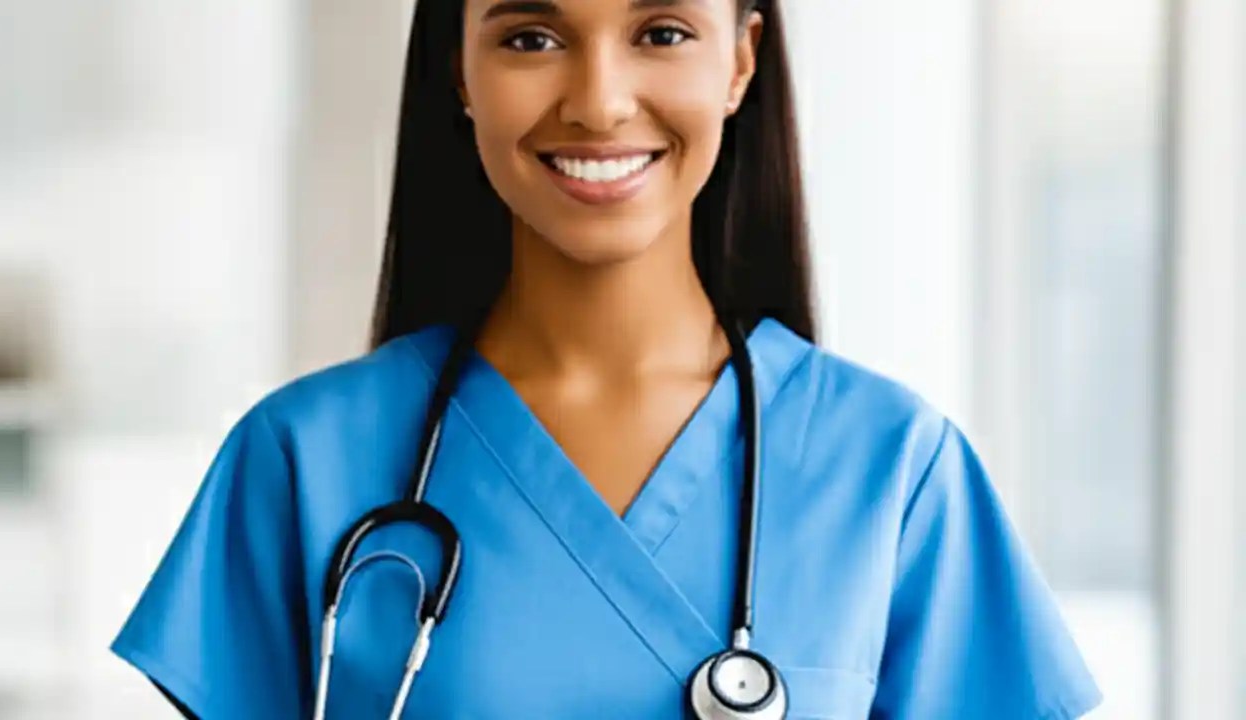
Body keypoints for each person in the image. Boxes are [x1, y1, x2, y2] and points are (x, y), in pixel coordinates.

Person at [111, 0, 1103, 718]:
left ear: (740, 61)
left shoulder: (890, 466)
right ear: (458, 68)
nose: (597, 101)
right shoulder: (302, 459)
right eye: (530, 38)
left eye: (660, 33)